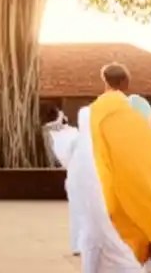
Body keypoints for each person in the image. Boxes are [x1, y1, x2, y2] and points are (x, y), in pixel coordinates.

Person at [90, 63, 151, 272]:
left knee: (125, 231)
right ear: (125, 82)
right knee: (145, 227)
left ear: (104, 81)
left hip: (110, 182)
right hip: (141, 177)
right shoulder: (139, 106)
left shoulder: (95, 109)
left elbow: (94, 147)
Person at [44, 108, 83, 258]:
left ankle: (80, 244)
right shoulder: (64, 136)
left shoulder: (69, 133)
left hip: (79, 175)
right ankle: (78, 244)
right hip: (77, 176)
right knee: (79, 211)